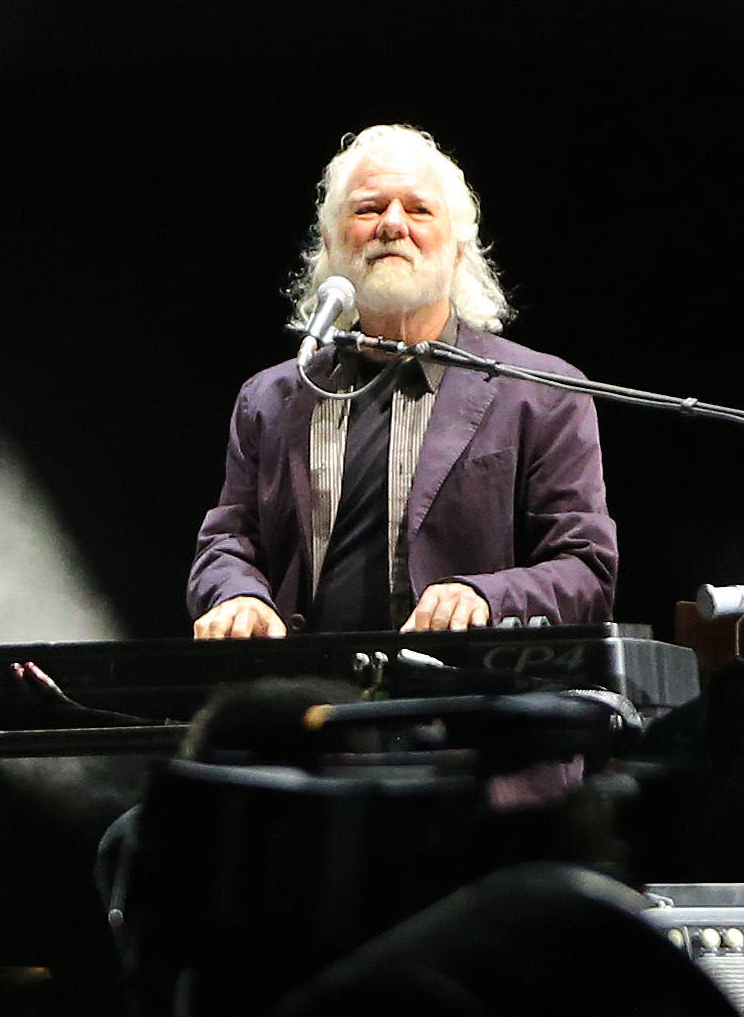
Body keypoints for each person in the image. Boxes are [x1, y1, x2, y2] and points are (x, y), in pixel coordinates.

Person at [188, 125, 615, 636]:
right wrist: (238, 596)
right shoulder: (272, 399)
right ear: (330, 241)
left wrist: (484, 596)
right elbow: (228, 544)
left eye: (418, 209)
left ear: (459, 246)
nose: (392, 224)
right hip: (310, 701)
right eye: (368, 209)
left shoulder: (542, 392)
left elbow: (586, 569)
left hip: (467, 700)